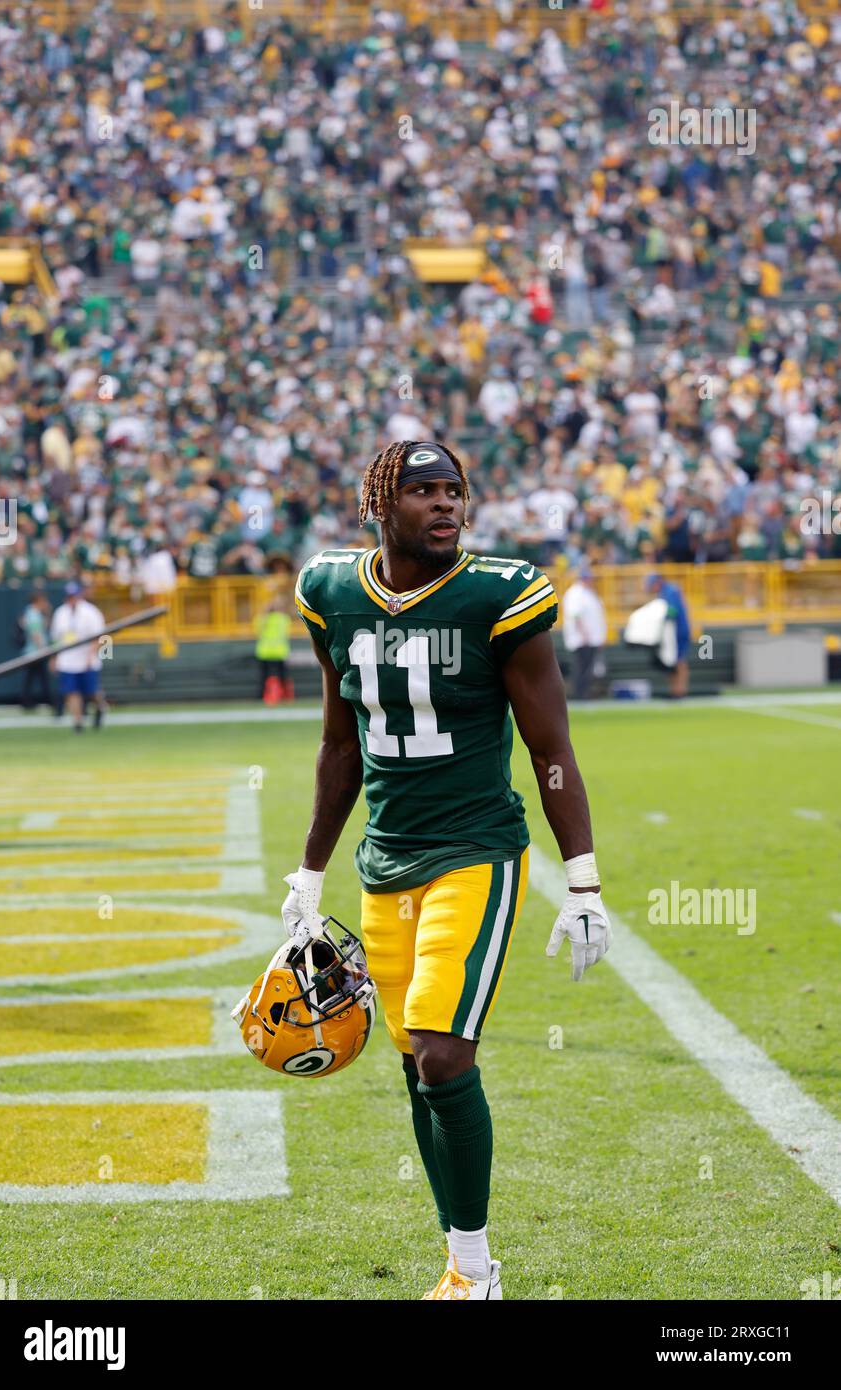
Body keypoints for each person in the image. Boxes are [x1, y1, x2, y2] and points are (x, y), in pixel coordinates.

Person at [287, 440, 611, 1300]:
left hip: (474, 849)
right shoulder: (329, 591)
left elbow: (551, 747)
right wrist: (309, 873)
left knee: (439, 1056)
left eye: (453, 491)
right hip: (383, 858)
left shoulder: (497, 596)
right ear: (378, 506)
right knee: (410, 1061)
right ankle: (460, 1269)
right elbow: (336, 743)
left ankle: (476, 1271)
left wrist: (582, 882)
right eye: (423, 491)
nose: (444, 505)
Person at [50, 581, 107, 732]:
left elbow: (101, 637)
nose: (72, 599)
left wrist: (91, 655)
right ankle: (78, 722)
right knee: (71, 691)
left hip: (87, 657)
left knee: (92, 691)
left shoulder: (91, 612)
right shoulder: (60, 613)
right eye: (69, 596)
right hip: (68, 659)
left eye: (74, 596)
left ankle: (100, 707)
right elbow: (56, 638)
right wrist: (54, 658)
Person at [562, 562, 606, 700]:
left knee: (587, 669)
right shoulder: (575, 593)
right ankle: (579, 695)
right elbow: (576, 615)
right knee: (581, 669)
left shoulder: (589, 593)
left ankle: (583, 694)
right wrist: (584, 634)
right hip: (582, 639)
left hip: (591, 639)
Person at [646, 573, 691, 698]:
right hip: (671, 631)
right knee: (671, 661)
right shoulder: (664, 593)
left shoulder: (670, 591)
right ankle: (674, 690)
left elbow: (672, 611)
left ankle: (680, 690)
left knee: (679, 660)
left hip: (678, 631)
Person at [254, 586, 292, 704]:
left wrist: (266, 610)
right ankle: (283, 696)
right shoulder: (284, 619)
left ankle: (264, 696)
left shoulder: (265, 618)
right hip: (279, 651)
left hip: (265, 651)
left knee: (264, 676)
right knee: (281, 676)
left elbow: (257, 628)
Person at [18, 591, 54, 712]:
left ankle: (31, 701)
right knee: (36, 678)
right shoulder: (32, 613)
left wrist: (48, 613)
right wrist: (42, 649)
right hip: (34, 652)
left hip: (36, 651)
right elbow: (35, 634)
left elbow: (44, 626)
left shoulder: (35, 613)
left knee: (35, 678)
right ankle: (30, 702)